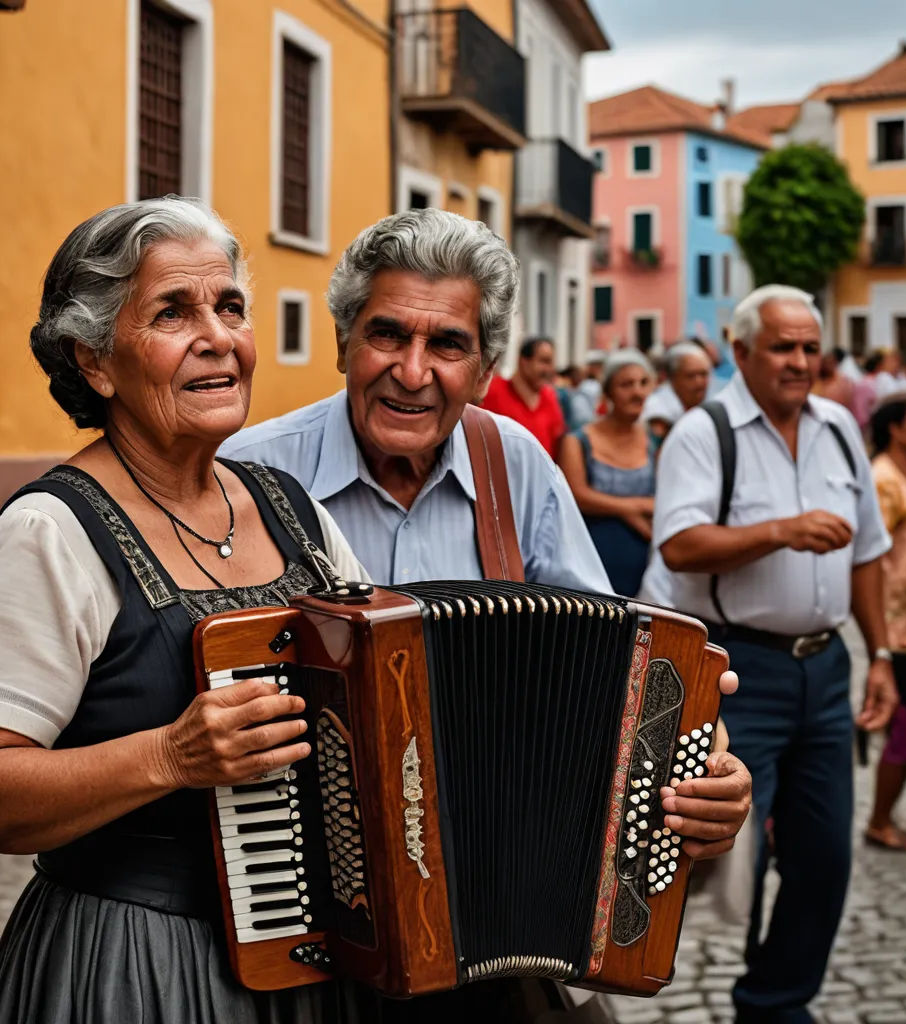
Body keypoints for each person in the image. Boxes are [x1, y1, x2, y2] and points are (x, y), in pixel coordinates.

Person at [221, 209, 752, 1019]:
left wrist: (704, 769)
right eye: (385, 335)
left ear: (485, 365)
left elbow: (624, 680)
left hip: (489, 928)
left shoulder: (518, 467)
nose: (411, 370)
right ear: (341, 344)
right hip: (300, 933)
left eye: (447, 346)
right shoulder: (249, 474)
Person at [0, 198, 373, 1024]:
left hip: (313, 967)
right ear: (94, 361)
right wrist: (170, 755)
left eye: (229, 307)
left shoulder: (294, 510)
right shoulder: (48, 532)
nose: (218, 337)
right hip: (135, 968)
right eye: (173, 311)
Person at [653, 283, 898, 1023]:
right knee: (719, 852)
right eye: (782, 347)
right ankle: (647, 967)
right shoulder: (705, 432)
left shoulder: (838, 428)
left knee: (824, 856)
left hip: (825, 668)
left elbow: (868, 555)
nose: (799, 362)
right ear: (740, 353)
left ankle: (775, 1002)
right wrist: (781, 530)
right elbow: (679, 544)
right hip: (737, 670)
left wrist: (880, 654)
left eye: (809, 347)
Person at [560, 350, 656, 597]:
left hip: (646, 578)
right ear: (609, 391)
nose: (637, 392)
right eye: (626, 384)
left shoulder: (655, 442)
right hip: (587, 571)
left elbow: (664, 501)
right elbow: (578, 496)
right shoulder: (577, 441)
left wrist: (618, 507)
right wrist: (633, 509)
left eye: (643, 383)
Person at [865, 390, 906, 851]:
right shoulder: (883, 478)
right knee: (905, 726)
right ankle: (879, 819)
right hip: (898, 628)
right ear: (896, 427)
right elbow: (874, 558)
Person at [480, 336, 566, 459]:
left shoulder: (549, 397)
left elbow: (558, 441)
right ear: (523, 362)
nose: (550, 369)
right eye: (544, 361)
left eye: (551, 363)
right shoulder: (493, 391)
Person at [642, 341, 712, 440]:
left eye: (704, 374)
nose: (699, 382)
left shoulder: (710, 403)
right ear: (672, 377)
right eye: (690, 376)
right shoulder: (658, 411)